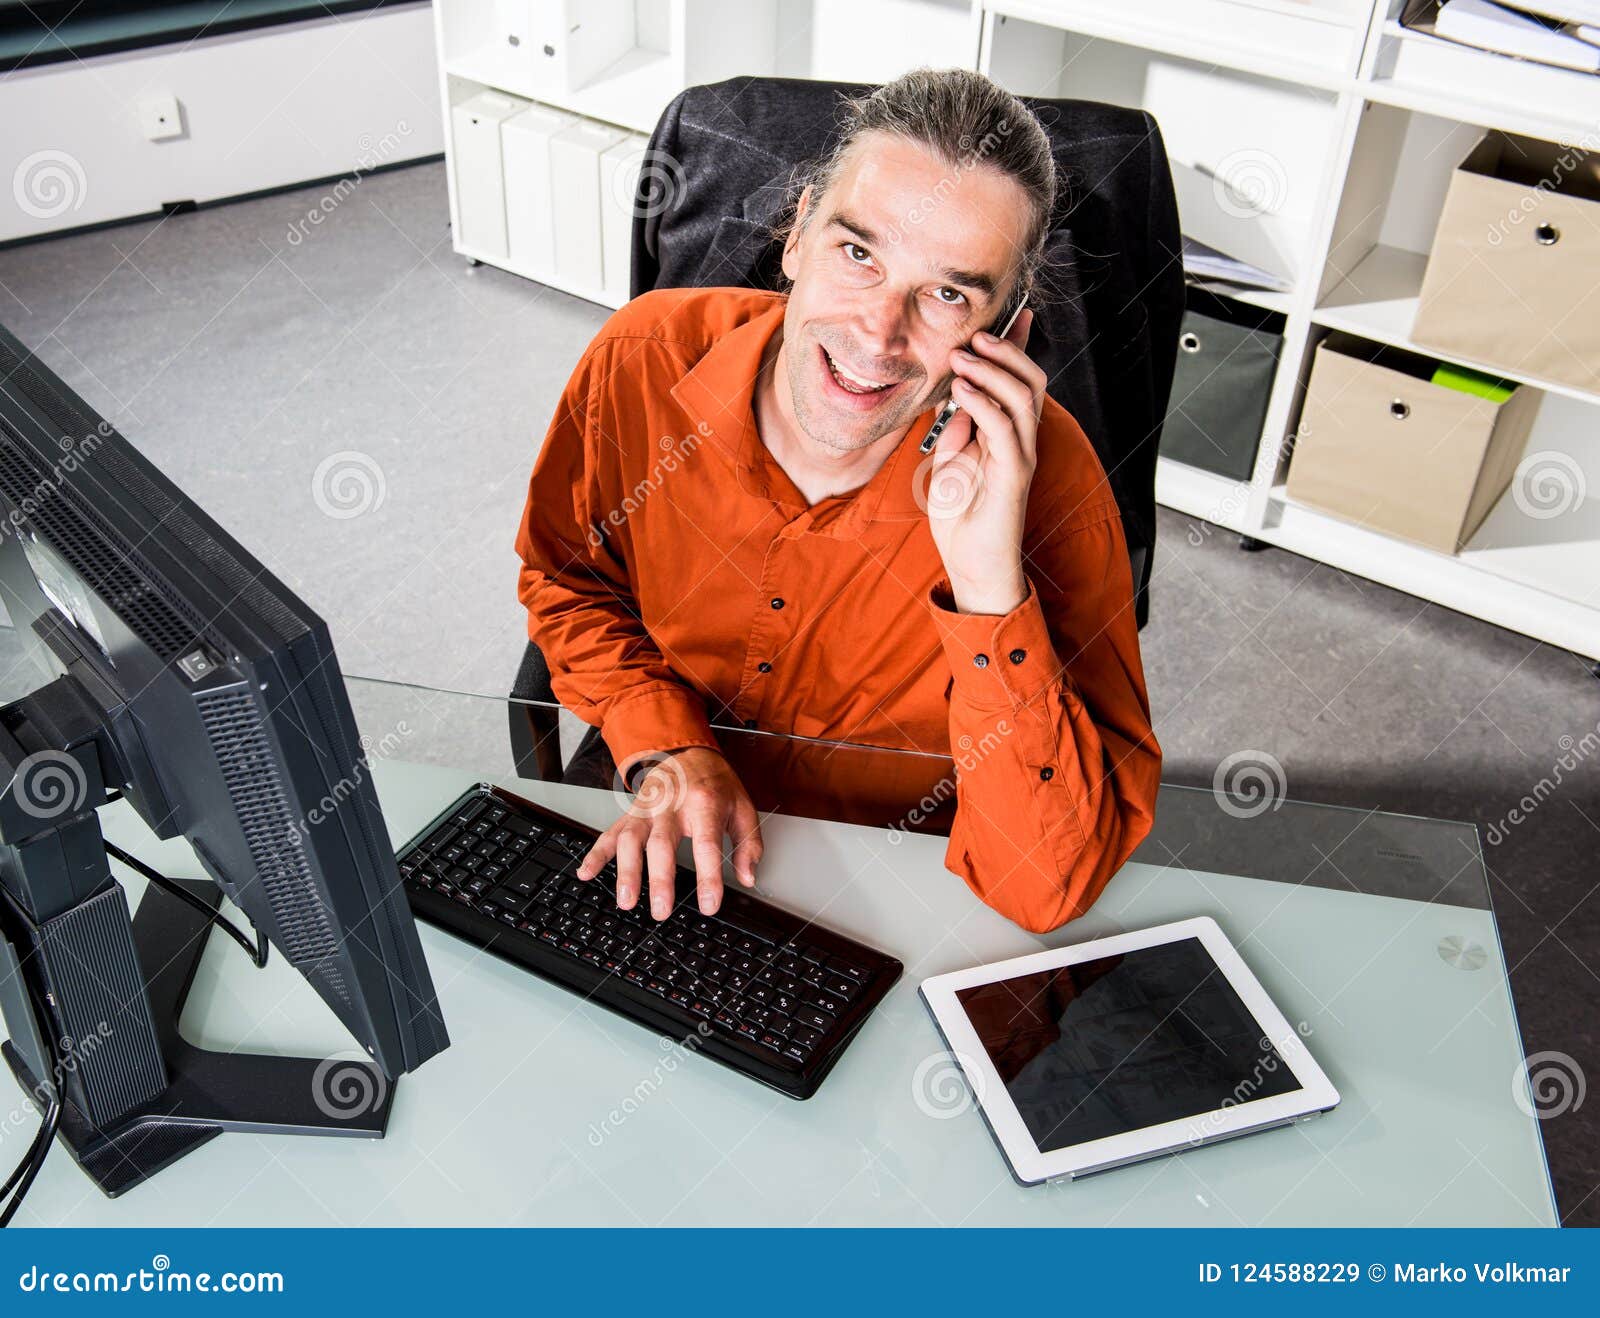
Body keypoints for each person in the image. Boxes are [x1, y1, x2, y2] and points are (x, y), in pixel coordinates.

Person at [515, 68, 1160, 934]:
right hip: (660, 836)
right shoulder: (643, 358)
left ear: (1005, 330)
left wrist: (987, 584)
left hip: (896, 900)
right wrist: (665, 744)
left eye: (948, 294)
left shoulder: (1052, 480)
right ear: (797, 235)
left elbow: (1045, 886)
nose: (878, 333)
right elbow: (568, 582)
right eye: (858, 254)